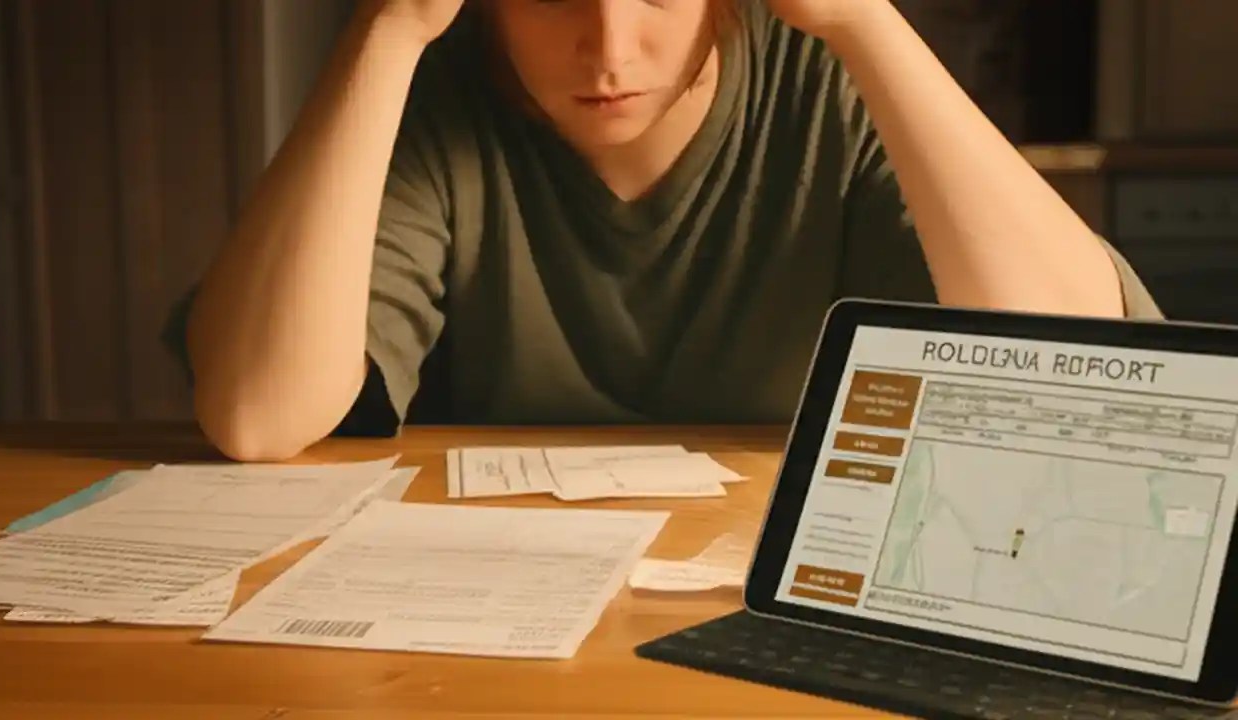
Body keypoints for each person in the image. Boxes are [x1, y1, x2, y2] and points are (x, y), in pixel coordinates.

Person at [174, 0, 1161, 462]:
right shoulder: (431, 101)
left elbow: (1073, 355)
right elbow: (258, 415)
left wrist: (864, 21)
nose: (608, 47)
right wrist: (386, 27)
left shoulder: (822, 83)